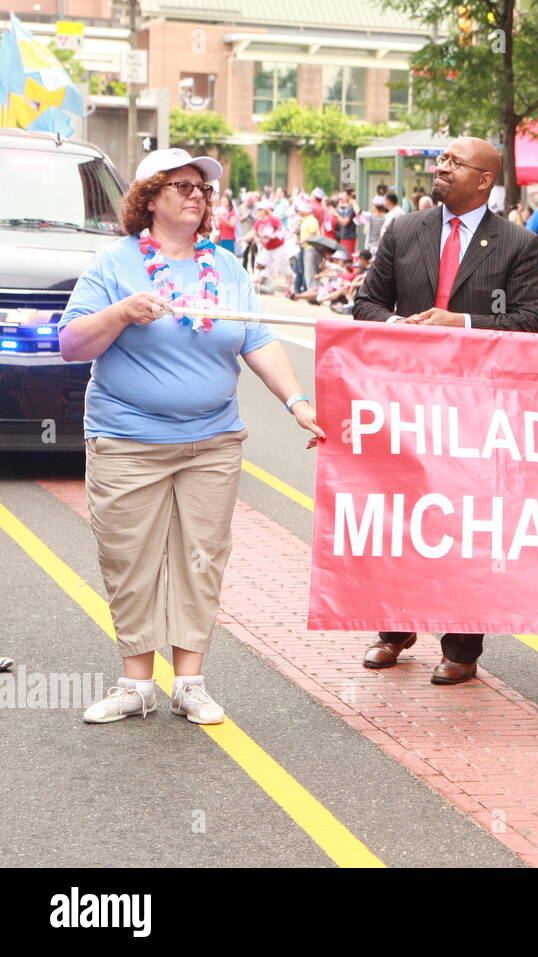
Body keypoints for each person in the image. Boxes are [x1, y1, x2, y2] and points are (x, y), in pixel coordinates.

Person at [57, 148, 323, 725]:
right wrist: (121, 312)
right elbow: (72, 344)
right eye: (182, 185)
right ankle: (135, 684)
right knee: (131, 560)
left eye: (203, 188)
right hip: (128, 439)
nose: (197, 195)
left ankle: (190, 682)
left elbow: (257, 340)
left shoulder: (225, 267)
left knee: (201, 559)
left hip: (213, 442)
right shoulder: (114, 263)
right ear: (150, 196)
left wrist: (297, 402)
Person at [353, 137, 538, 685]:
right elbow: (365, 304)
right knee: (400, 516)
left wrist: (459, 325)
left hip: (477, 411)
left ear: (484, 179)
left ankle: (462, 648)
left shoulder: (518, 243)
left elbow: (533, 324)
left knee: (465, 524)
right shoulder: (404, 230)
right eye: (441, 161)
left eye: (454, 163)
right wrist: (400, 327)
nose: (441, 168)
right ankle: (394, 629)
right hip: (406, 404)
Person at [242, 200, 291, 293]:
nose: (257, 212)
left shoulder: (273, 219)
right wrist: (244, 238)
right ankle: (258, 281)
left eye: (259, 210)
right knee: (260, 263)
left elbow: (282, 230)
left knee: (283, 267)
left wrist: (273, 235)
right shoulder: (259, 222)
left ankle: (290, 287)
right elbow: (253, 232)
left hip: (278, 247)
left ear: (265, 211)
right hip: (267, 248)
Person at [335, 190, 357, 257]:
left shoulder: (350, 208)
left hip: (348, 237)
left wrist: (335, 214)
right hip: (344, 236)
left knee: (347, 257)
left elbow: (345, 223)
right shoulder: (345, 208)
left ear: (349, 196)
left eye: (344, 196)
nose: (341, 198)